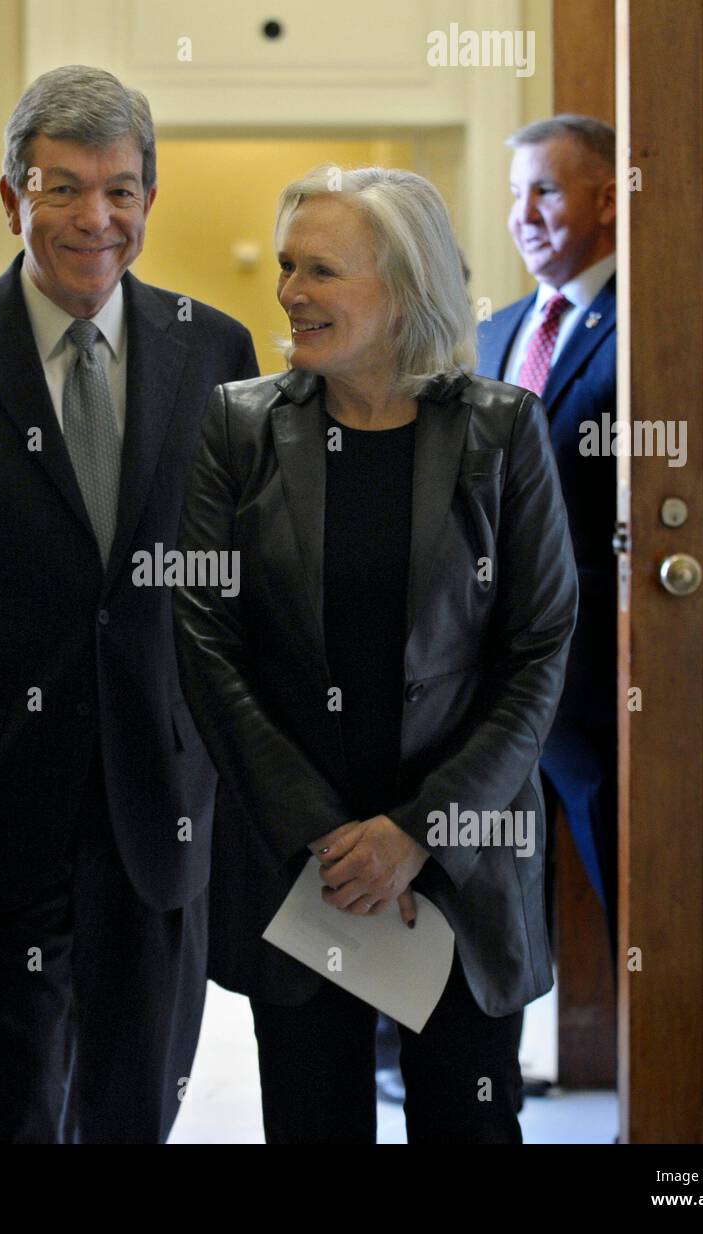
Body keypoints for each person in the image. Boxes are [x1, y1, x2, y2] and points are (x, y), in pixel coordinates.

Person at [0, 64, 259, 1144]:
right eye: (61, 188)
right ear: (12, 198)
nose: (94, 218)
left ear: (149, 198)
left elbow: (233, 588)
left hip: (159, 803)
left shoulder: (218, 350)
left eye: (121, 190)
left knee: (138, 1105)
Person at [174, 165, 577, 1143]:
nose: (290, 292)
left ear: (401, 288)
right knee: (313, 1124)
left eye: (322, 270)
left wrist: (416, 831)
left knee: (470, 1126)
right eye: (285, 266)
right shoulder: (237, 426)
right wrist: (327, 832)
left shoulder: (501, 430)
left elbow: (538, 647)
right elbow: (203, 634)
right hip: (299, 859)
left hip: (461, 864)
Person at [476, 115, 618, 954]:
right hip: (495, 672)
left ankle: (657, 1067)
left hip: (596, 672)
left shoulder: (648, 324)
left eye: (548, 190)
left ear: (608, 201)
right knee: (503, 885)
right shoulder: (501, 331)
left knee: (616, 873)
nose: (524, 212)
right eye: (515, 194)